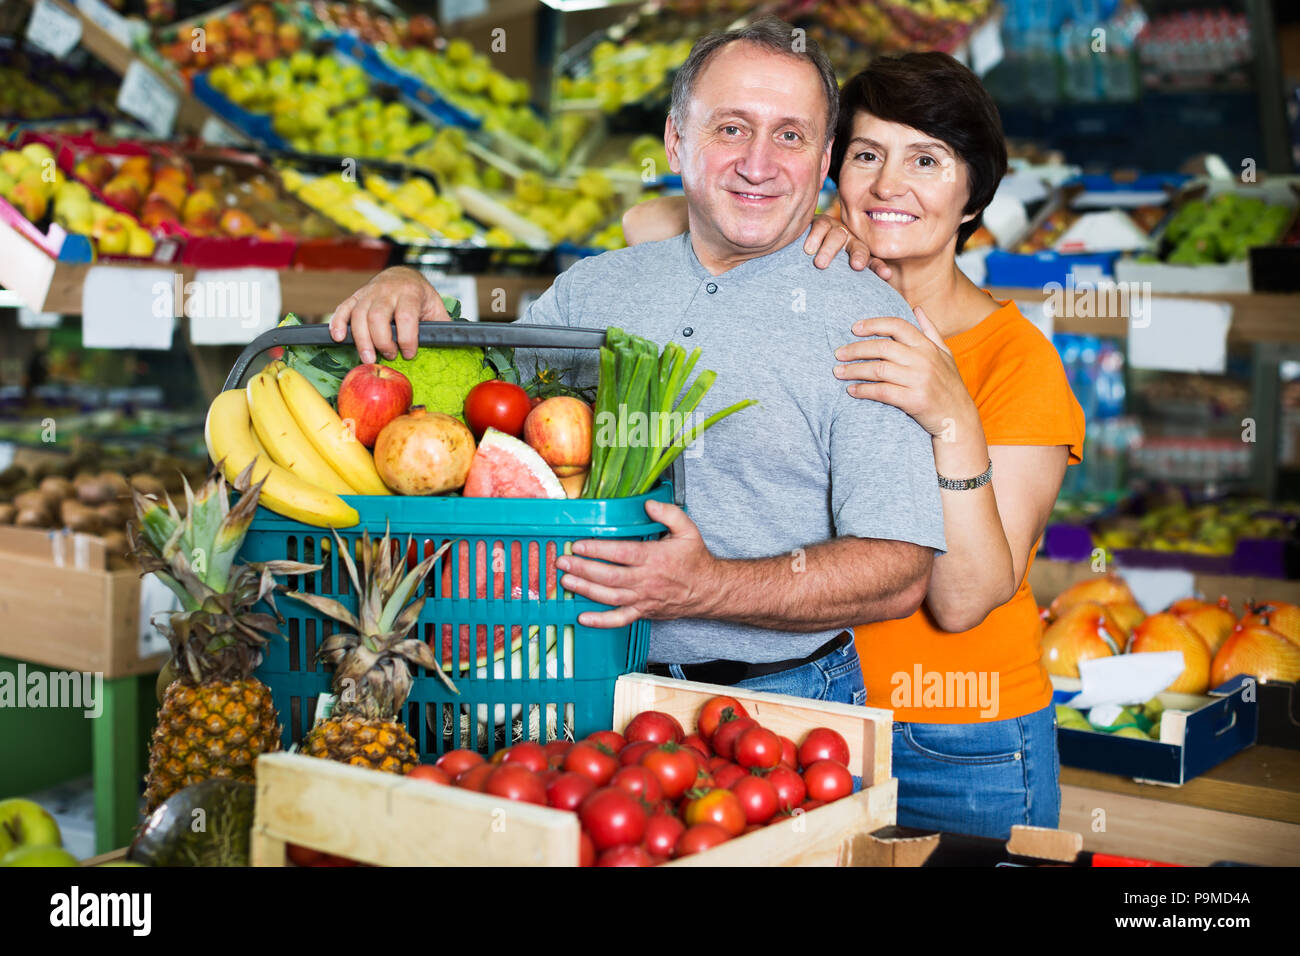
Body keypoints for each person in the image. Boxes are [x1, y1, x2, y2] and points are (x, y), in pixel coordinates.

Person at [327, 18, 947, 705]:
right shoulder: (591, 288)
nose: (759, 163)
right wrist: (407, 285)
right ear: (677, 142)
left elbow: (898, 568)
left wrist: (707, 587)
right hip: (566, 682)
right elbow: (464, 423)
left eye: (790, 136)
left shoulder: (867, 320)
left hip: (777, 703)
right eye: (731, 128)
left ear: (825, 159)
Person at [622, 52, 1085, 838]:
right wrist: (805, 226)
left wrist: (953, 419)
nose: (888, 186)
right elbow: (650, 217)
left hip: (959, 741)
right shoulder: (812, 284)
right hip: (808, 715)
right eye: (867, 155)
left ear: (973, 193)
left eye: (927, 160)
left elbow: (966, 598)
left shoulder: (1016, 361)